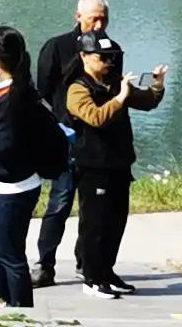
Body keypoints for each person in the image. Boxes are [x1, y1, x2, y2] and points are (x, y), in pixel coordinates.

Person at [33, 0, 163, 286]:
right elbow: (43, 92)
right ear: (77, 16)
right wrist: (60, 127)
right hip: (67, 138)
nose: (100, 23)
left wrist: (153, 88)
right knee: (61, 200)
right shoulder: (56, 47)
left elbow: (115, 90)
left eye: (104, 18)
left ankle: (89, 264)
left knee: (98, 210)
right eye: (94, 18)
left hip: (103, 143)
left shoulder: (111, 49)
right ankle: (45, 264)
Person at [0, 26, 60, 326]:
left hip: (15, 188)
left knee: (11, 253)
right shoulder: (7, 85)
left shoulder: (16, 100)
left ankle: (23, 320)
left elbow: (5, 147)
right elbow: (2, 73)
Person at [60, 42, 148, 296]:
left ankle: (107, 272)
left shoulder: (114, 82)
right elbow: (96, 117)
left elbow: (146, 102)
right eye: (103, 57)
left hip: (119, 163)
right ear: (84, 57)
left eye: (112, 58)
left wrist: (157, 86)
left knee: (115, 222)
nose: (108, 63)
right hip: (93, 165)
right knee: (95, 225)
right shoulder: (77, 88)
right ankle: (91, 277)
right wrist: (120, 97)